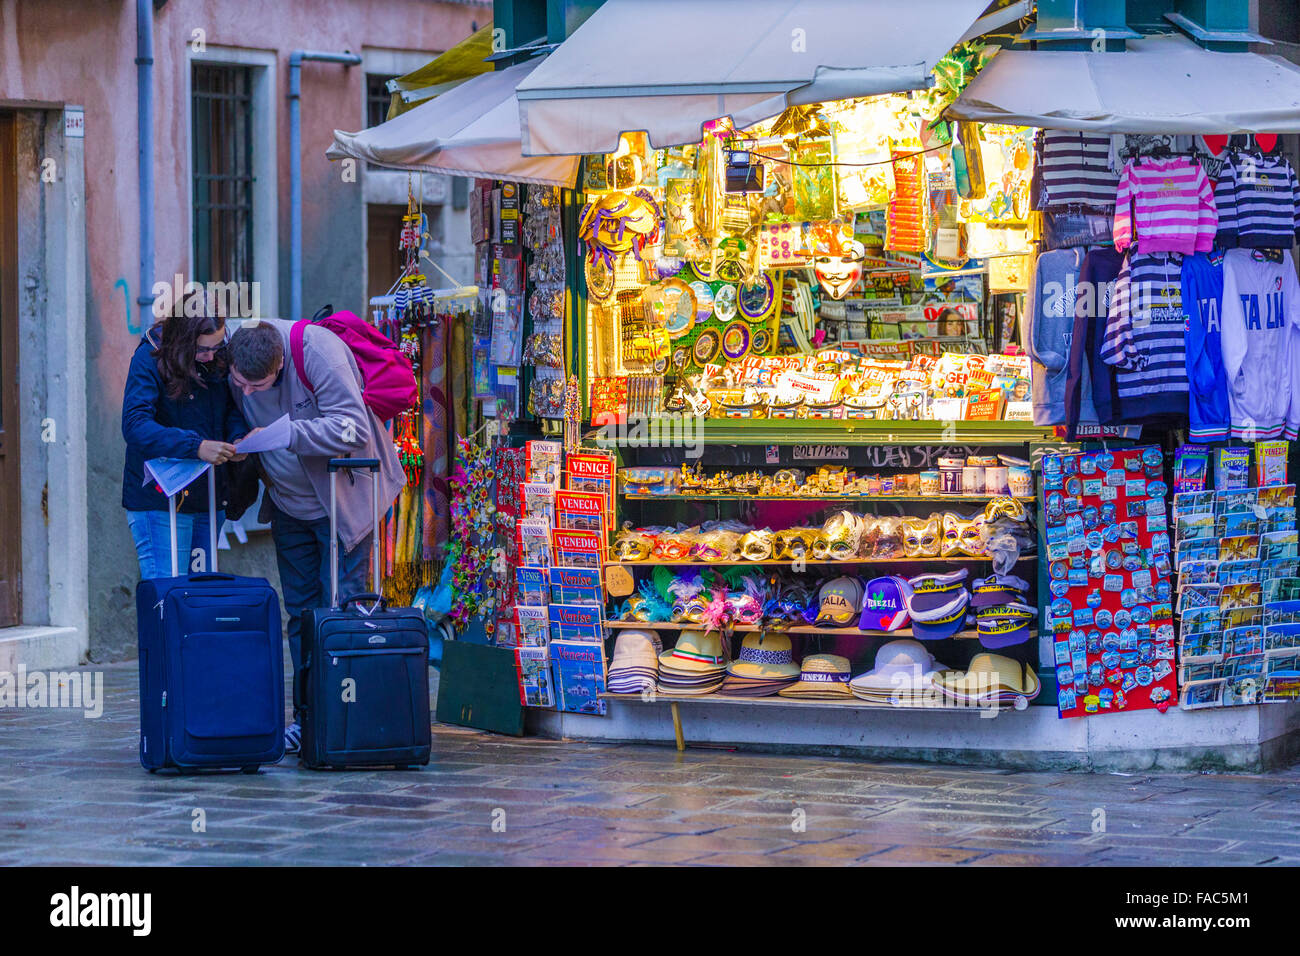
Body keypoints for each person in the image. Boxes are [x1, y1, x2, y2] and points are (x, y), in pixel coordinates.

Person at [226, 319, 404, 754]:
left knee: (344, 610)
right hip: (290, 508)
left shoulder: (317, 353)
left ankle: (347, 715)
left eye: (259, 385)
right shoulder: (234, 353)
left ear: (281, 365)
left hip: (341, 504)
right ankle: (306, 718)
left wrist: (291, 433)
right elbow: (233, 411)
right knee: (301, 614)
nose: (247, 393)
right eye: (239, 384)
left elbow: (353, 429)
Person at [121, 311, 247, 580]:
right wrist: (196, 446)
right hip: (160, 499)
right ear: (182, 340)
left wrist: (238, 438)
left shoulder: (217, 357)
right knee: (168, 597)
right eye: (202, 349)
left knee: (200, 598)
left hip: (209, 496)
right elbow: (135, 425)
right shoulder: (150, 358)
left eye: (218, 347)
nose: (211, 356)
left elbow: (230, 408)